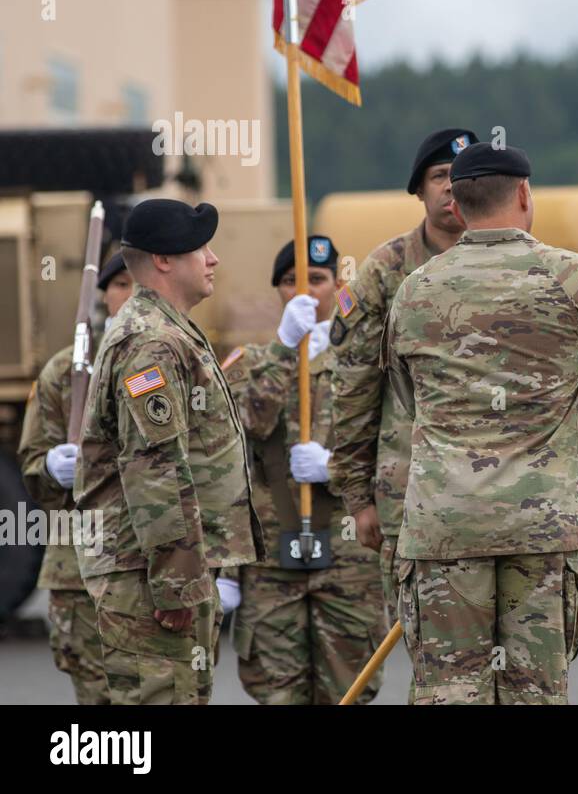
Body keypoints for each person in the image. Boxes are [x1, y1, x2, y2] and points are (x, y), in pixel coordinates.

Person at [387, 140, 578, 704]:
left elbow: (406, 395)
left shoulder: (413, 290)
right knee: (534, 689)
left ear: (454, 201)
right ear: (525, 194)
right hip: (542, 524)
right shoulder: (574, 278)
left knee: (450, 689)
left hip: (444, 524)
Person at [75, 199, 262, 705]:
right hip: (148, 576)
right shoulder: (151, 341)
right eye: (201, 247)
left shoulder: (166, 329)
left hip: (162, 569)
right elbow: (154, 468)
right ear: (163, 260)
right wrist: (177, 582)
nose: (214, 259)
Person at [221, 236, 387, 704]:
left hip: (349, 553)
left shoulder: (365, 364)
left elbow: (394, 452)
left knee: (350, 689)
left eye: (316, 280)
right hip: (272, 556)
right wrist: (283, 347)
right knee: (276, 691)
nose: (304, 292)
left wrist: (334, 468)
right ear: (276, 289)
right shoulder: (251, 362)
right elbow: (241, 433)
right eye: (290, 281)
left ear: (337, 285)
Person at [329, 128, 477, 631]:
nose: (452, 187)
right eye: (440, 176)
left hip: (499, 496)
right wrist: (357, 496)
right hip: (410, 497)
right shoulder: (386, 271)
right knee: (432, 648)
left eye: (462, 176)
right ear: (419, 189)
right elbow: (352, 388)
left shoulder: (509, 261)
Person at [18, 252, 132, 704]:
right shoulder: (65, 373)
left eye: (138, 285)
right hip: (81, 568)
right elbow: (31, 470)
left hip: (152, 567)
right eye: (119, 285)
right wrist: (49, 467)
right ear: (103, 295)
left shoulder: (174, 360)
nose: (129, 296)